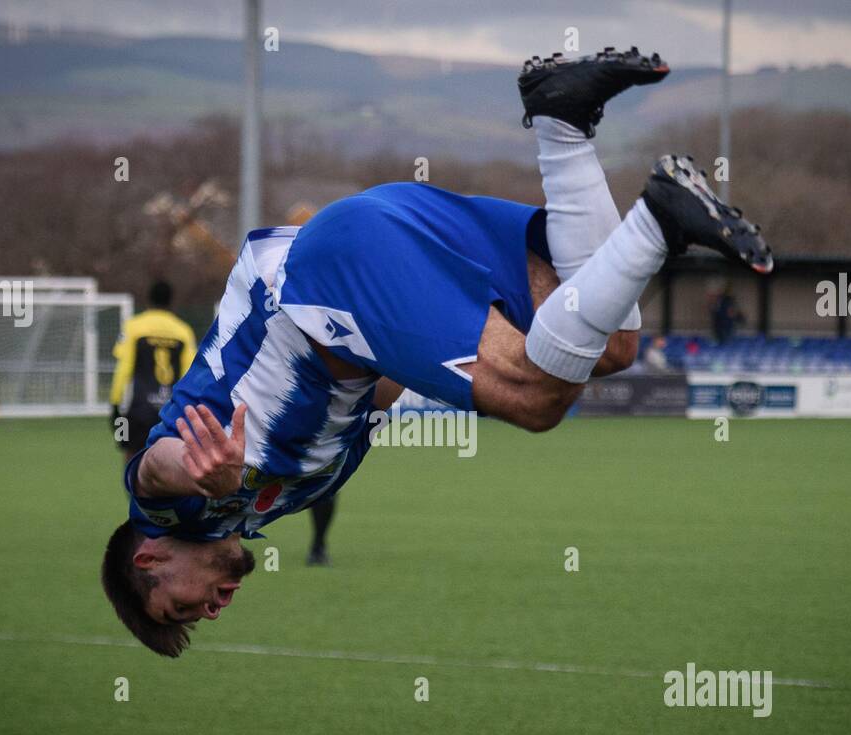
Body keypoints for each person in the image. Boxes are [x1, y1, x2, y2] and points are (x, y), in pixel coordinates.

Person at [101, 46, 772, 655]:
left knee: (537, 396)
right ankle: (561, 117)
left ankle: (660, 219)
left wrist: (196, 473)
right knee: (610, 344)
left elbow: (156, 467)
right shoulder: (274, 500)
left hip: (335, 274)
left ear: (147, 562)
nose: (208, 613)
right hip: (380, 243)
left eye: (179, 611)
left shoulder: (166, 510)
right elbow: (378, 384)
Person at [109, 280, 198, 463]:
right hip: (170, 412)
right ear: (171, 302)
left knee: (131, 456)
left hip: (138, 411)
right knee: (170, 461)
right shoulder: (183, 331)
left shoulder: (134, 326)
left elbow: (123, 369)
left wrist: (115, 405)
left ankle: (134, 491)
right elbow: (190, 375)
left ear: (148, 300)